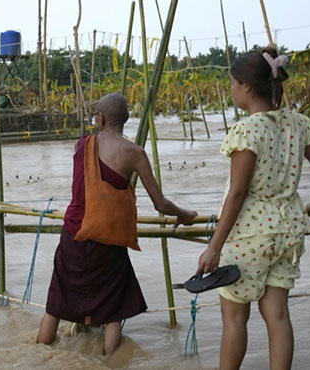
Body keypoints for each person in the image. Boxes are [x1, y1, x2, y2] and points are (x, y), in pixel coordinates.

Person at [194, 48, 310, 370]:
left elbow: (238, 194)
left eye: (232, 84)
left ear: (247, 87)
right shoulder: (299, 123)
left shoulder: (246, 131)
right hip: (289, 233)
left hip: (250, 236)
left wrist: (214, 247)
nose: (231, 90)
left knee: (235, 319)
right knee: (278, 315)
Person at [35, 93, 197, 355]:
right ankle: (112, 360)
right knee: (113, 310)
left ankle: (39, 356)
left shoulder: (82, 145)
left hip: (74, 235)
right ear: (126, 119)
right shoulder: (134, 153)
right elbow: (160, 204)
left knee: (56, 305)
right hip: (109, 241)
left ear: (100, 119)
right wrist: (184, 213)